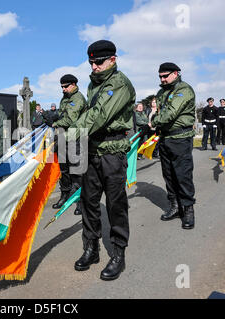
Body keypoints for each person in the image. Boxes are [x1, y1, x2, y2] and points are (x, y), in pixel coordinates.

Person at [69, 40, 135, 281]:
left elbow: (98, 117)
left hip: (112, 151)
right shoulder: (92, 85)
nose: (94, 66)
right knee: (89, 202)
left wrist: (68, 133)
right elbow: (88, 113)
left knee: (116, 204)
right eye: (91, 62)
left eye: (99, 62)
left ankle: (118, 253)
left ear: (113, 60)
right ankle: (91, 248)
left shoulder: (119, 84)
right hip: (93, 148)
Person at [149, 62, 196, 230]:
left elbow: (169, 114)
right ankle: (175, 206)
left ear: (176, 73)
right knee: (168, 175)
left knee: (182, 175)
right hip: (165, 138)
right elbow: (159, 111)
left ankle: (188, 210)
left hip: (180, 138)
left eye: (165, 76)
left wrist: (153, 122)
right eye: (160, 76)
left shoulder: (183, 90)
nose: (162, 79)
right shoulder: (162, 92)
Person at [51, 74, 87, 215]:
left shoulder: (77, 98)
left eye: (66, 86)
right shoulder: (64, 99)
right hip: (63, 139)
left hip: (76, 138)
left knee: (77, 172)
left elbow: (71, 119)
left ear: (74, 84)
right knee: (64, 172)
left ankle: (80, 202)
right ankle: (64, 196)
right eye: (62, 87)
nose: (63, 89)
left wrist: (54, 123)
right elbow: (62, 115)